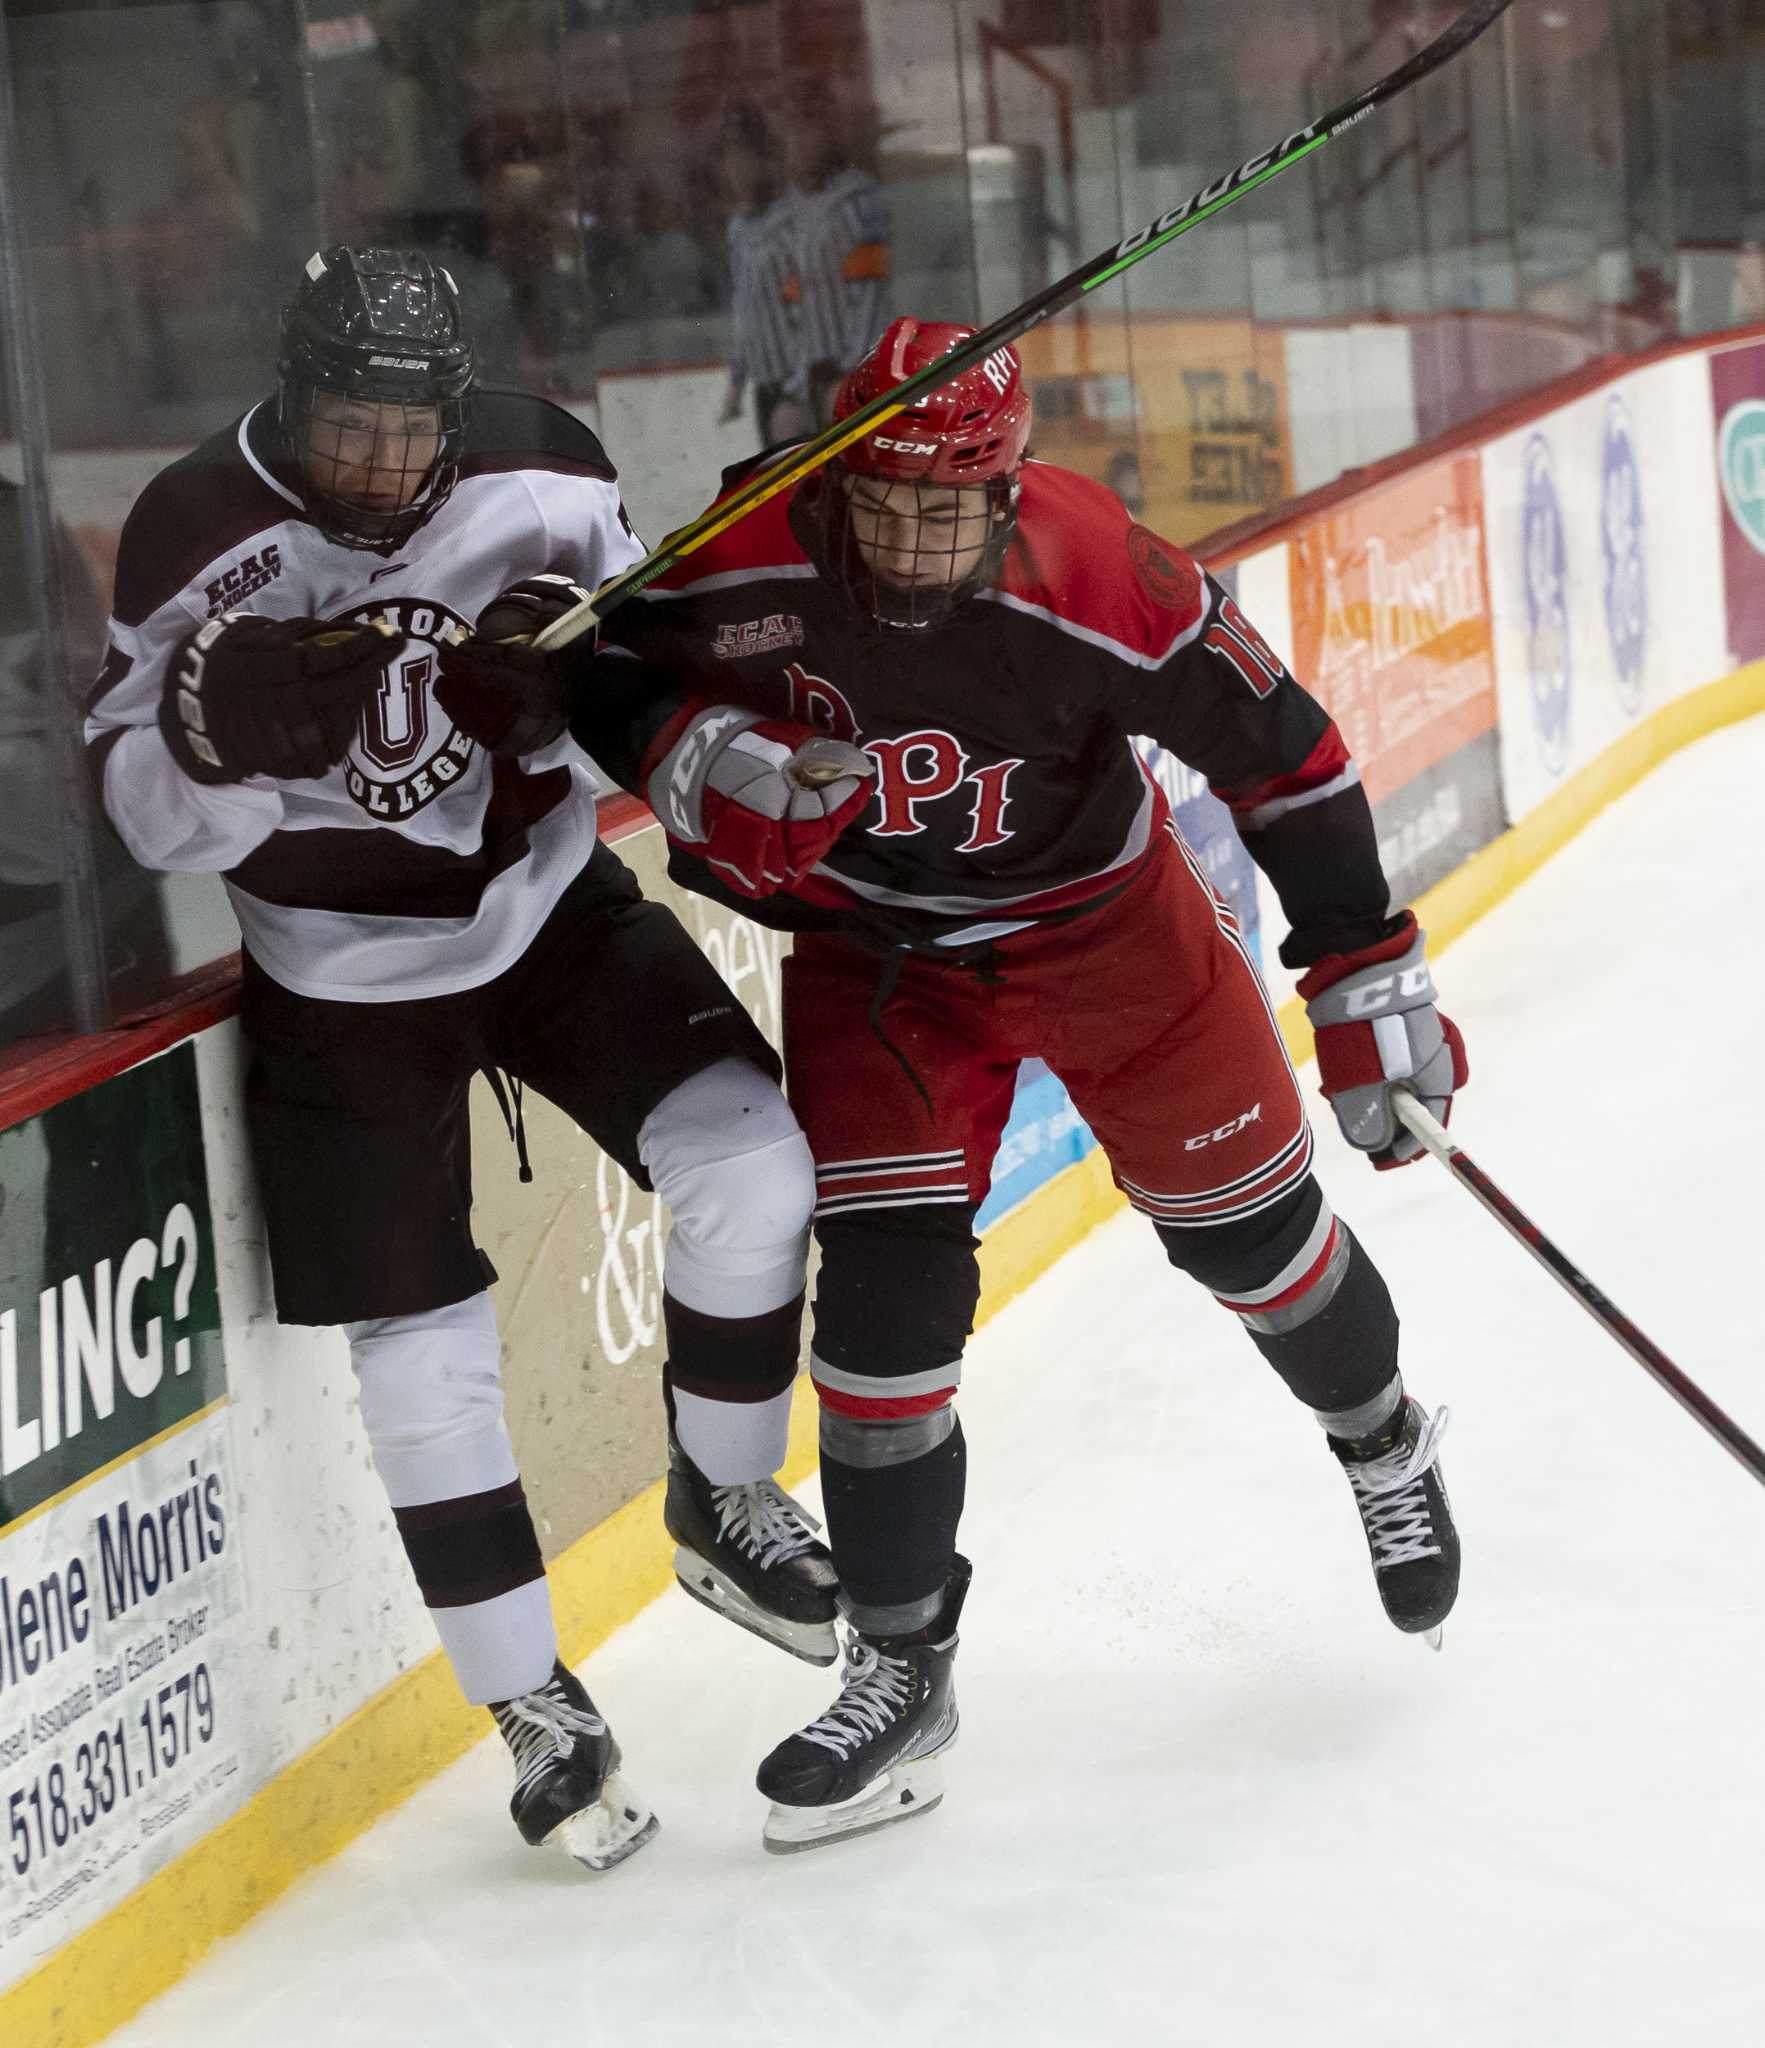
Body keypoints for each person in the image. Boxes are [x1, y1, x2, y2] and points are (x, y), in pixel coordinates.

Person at [601, 317, 1468, 1855]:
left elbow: (1287, 753)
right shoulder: (735, 559)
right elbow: (595, 666)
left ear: (1009, 487)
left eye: (957, 504)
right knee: (877, 1319)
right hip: (879, 962)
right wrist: (690, 747)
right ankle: (902, 1666)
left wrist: (1362, 966)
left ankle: (1382, 1438)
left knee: (1248, 1244)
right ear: (836, 473)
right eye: (891, 502)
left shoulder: (1094, 572)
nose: (923, 536)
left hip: (1108, 932)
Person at [83, 246, 868, 1870]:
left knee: (751, 1159)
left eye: (404, 431)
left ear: (455, 412)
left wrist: (570, 686)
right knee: (418, 1350)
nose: (376, 464)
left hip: (548, 905)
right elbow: (145, 814)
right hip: (334, 976)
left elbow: (646, 661)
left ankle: (724, 1497)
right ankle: (536, 1711)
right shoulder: (190, 527)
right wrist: (236, 734)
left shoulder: (548, 462)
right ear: (291, 398)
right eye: (343, 428)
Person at [717, 105, 809, 445]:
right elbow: (745, 310)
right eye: (729, 157)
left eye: (744, 156)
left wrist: (797, 395)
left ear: (766, 159)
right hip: (766, 389)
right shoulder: (738, 228)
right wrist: (736, 384)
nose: (736, 169)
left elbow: (814, 315)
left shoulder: (795, 221)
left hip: (800, 389)